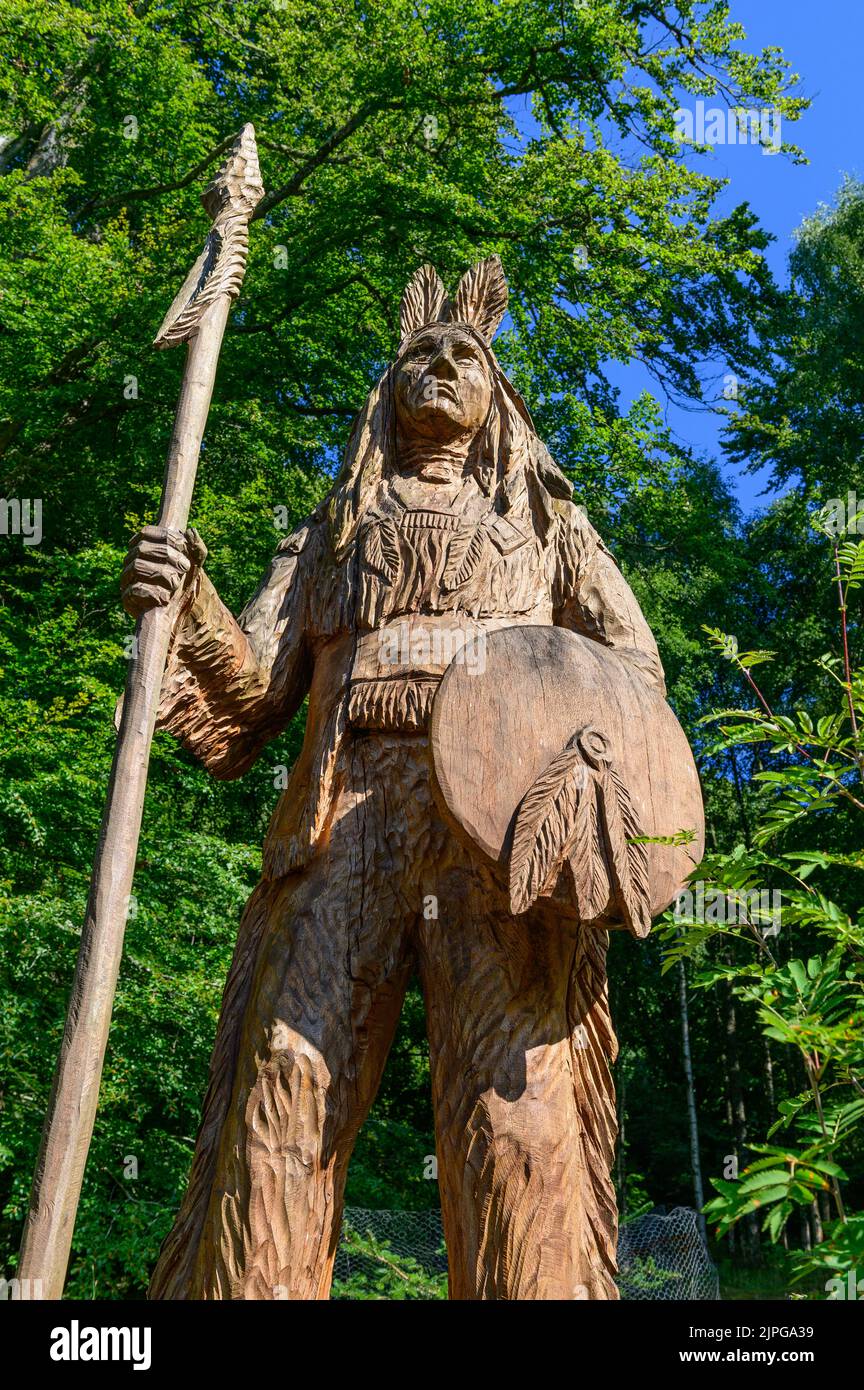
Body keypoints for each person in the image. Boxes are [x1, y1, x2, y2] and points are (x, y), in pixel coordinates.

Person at [123, 257, 664, 1300]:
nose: (443, 365)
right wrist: (183, 598)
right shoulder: (332, 530)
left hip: (502, 833)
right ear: (387, 389)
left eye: (466, 355)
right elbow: (247, 700)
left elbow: (634, 674)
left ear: (497, 394)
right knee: (283, 1079)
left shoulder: (550, 528)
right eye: (422, 352)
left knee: (517, 1117)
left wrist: (581, 773)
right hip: (344, 819)